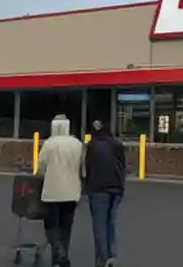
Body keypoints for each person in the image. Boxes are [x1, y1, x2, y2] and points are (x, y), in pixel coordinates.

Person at [38, 114, 84, 266]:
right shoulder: (77, 144)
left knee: (51, 225)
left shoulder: (49, 144)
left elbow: (41, 167)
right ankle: (63, 254)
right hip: (71, 192)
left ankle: (58, 250)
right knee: (66, 226)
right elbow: (82, 169)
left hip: (51, 192)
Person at [83, 119, 126, 267]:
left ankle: (102, 259)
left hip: (98, 187)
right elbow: (123, 164)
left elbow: (88, 167)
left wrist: (86, 186)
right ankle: (112, 255)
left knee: (99, 224)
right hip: (117, 187)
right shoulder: (117, 144)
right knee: (111, 221)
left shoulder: (92, 146)